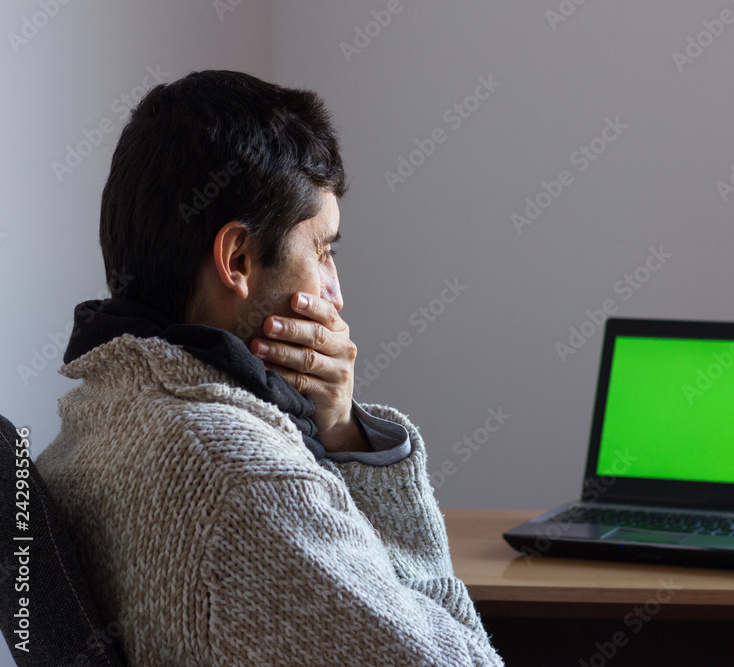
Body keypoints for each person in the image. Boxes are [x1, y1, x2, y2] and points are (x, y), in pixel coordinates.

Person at [35, 69, 504, 666]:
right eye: (323, 250)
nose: (336, 293)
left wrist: (340, 435)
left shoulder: (90, 425)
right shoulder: (242, 479)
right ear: (237, 258)